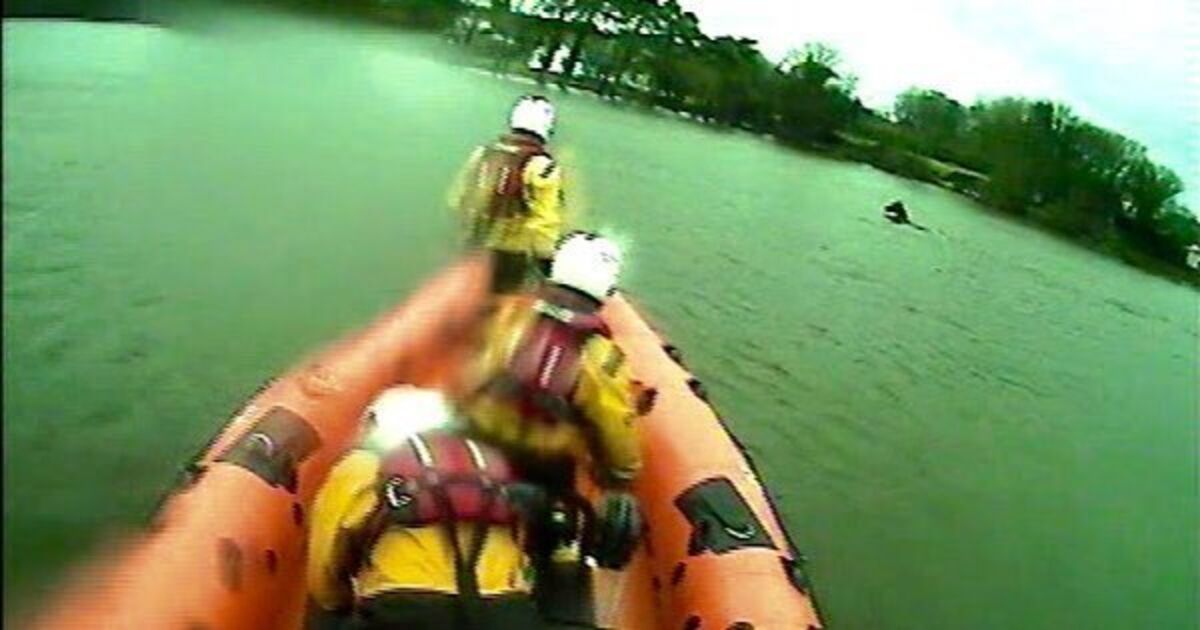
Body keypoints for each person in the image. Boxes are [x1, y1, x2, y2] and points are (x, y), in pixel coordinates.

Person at [458, 231, 643, 574]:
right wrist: (619, 480)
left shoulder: (504, 318)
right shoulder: (601, 359)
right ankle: (546, 576)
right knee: (559, 535)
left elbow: (465, 376)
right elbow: (616, 437)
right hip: (542, 473)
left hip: (472, 453)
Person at [306, 386, 550, 630]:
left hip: (405, 609)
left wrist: (335, 603)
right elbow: (520, 548)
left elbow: (325, 558)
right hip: (505, 610)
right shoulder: (487, 470)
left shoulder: (363, 467)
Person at [449, 95, 567, 294]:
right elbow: (544, 226)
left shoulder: (482, 154)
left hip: (475, 245)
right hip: (512, 257)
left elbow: (457, 199)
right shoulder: (542, 167)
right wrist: (551, 270)